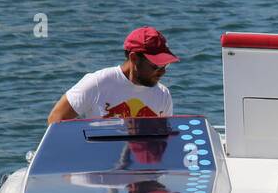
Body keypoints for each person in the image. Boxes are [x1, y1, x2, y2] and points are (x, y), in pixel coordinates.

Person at [47, 26, 179, 124]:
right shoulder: (97, 83)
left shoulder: (163, 95)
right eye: (156, 66)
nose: (163, 72)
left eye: (165, 65)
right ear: (134, 58)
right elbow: (55, 121)